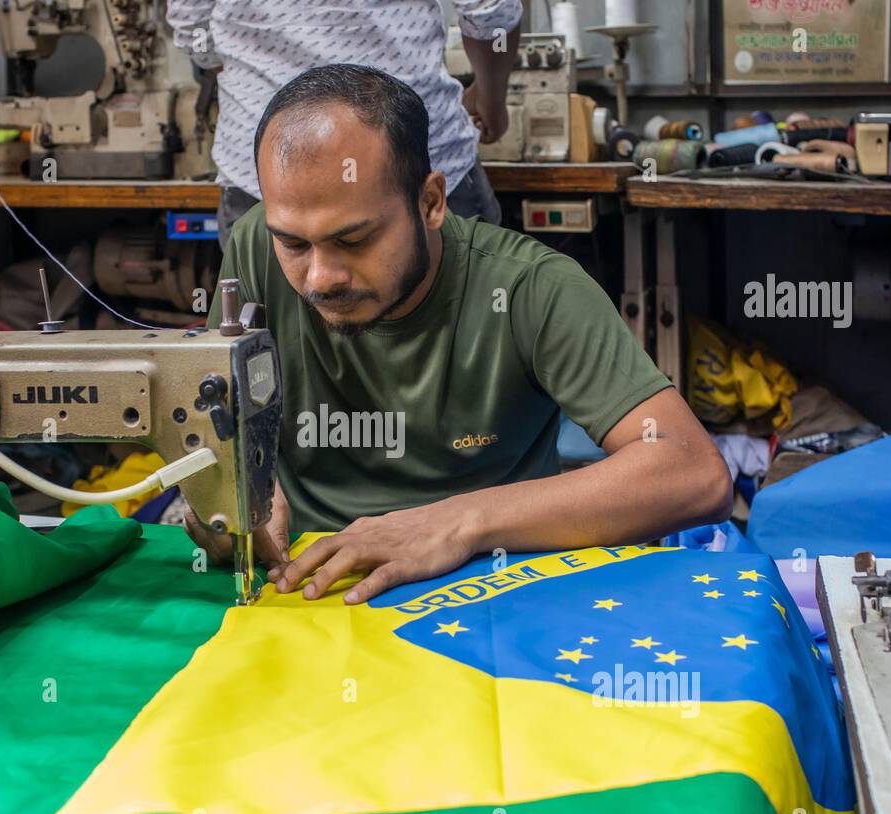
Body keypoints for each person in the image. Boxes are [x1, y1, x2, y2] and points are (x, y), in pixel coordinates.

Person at [185, 65, 733, 606]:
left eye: (353, 241)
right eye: (296, 245)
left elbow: (693, 472)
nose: (321, 277)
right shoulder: (258, 245)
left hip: (486, 590)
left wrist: (459, 523)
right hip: (304, 583)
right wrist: (229, 495)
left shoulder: (530, 289)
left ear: (430, 202)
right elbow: (218, 423)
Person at [166, 0, 524, 246]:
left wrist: (253, 80)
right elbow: (491, 14)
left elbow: (191, 26)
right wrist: (491, 97)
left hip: (263, 177)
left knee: (269, 353)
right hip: (420, 161)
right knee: (464, 346)